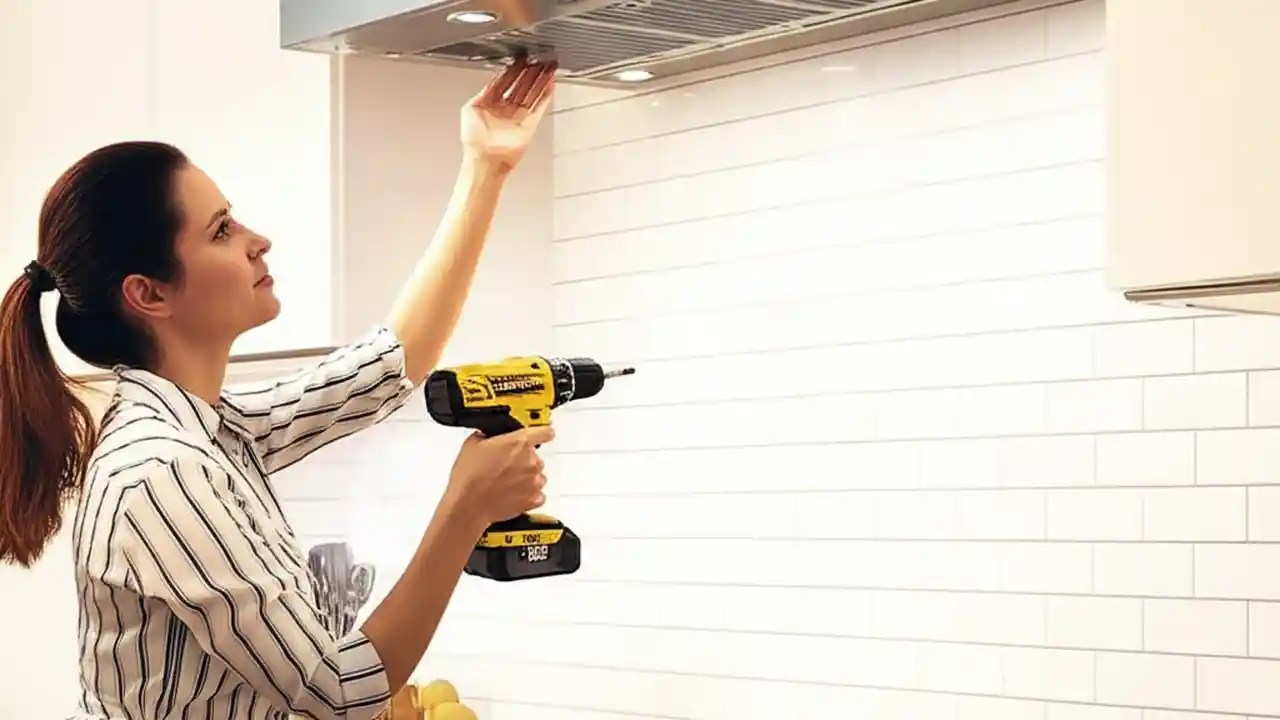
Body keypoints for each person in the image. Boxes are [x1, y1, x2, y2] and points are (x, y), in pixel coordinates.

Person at [0, 58, 558, 719]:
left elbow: (386, 369)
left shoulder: (210, 431)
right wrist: (466, 509)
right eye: (221, 230)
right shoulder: (161, 471)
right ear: (149, 294)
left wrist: (485, 168)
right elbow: (337, 692)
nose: (257, 241)